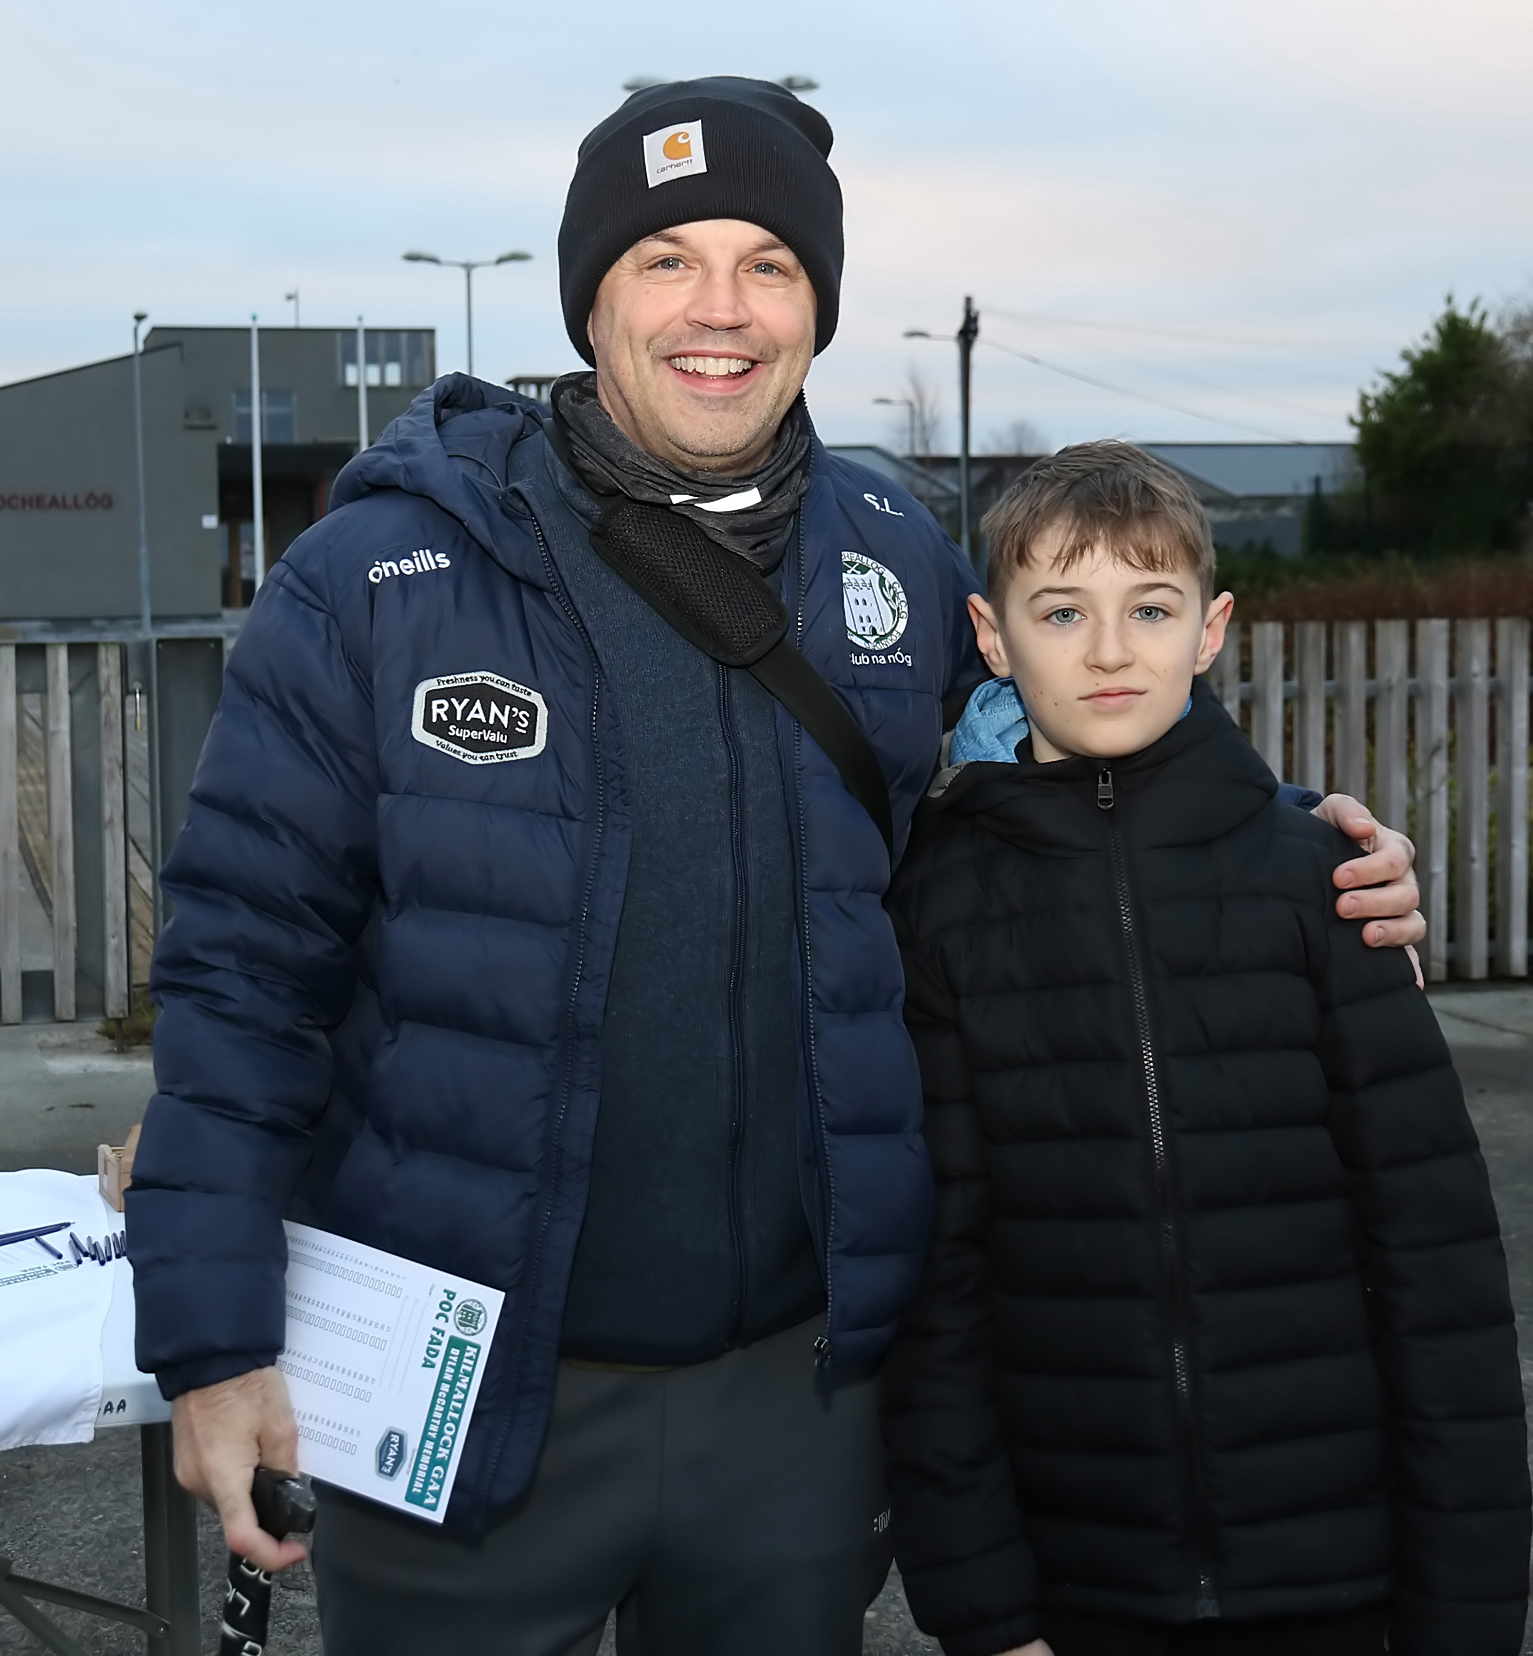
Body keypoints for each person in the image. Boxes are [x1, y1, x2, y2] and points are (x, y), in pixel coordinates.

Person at [125, 81, 1424, 1656]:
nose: (720, 310)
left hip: (794, 1407)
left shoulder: (895, 555)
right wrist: (212, 1340)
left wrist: (1296, 843)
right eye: (666, 260)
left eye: (769, 265)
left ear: (817, 307)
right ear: (591, 298)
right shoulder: (379, 578)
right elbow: (243, 975)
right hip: (458, 1403)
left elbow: (1081, 744)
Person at [880, 442, 1529, 1656]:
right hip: (1082, 1586)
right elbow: (936, 1292)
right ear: (991, 636)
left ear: (1212, 629)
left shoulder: (1325, 883)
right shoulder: (938, 907)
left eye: (1150, 608)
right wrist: (987, 1612)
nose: (1109, 650)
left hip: (1340, 1578)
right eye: (1061, 612)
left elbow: (1440, 1271)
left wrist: (1470, 1611)